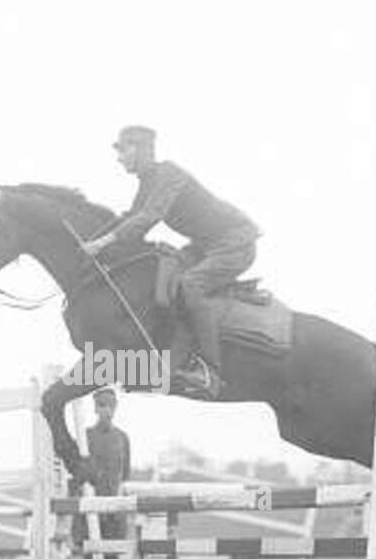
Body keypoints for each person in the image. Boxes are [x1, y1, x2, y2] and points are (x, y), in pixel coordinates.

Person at [80, 125, 261, 398]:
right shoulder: (147, 182)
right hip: (206, 246)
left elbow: (149, 216)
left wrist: (103, 243)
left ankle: (210, 372)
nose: (119, 158)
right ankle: (174, 358)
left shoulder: (169, 173)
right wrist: (89, 239)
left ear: (141, 149)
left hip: (236, 242)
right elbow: (131, 217)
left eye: (123, 149)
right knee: (167, 277)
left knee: (190, 284)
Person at [71, 386, 131, 559]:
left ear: (115, 408)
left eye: (110, 406)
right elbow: (77, 474)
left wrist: (120, 504)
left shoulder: (123, 438)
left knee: (112, 555)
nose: (106, 410)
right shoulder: (85, 436)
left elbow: (125, 475)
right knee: (91, 554)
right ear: (96, 408)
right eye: (102, 405)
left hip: (114, 506)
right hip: (91, 504)